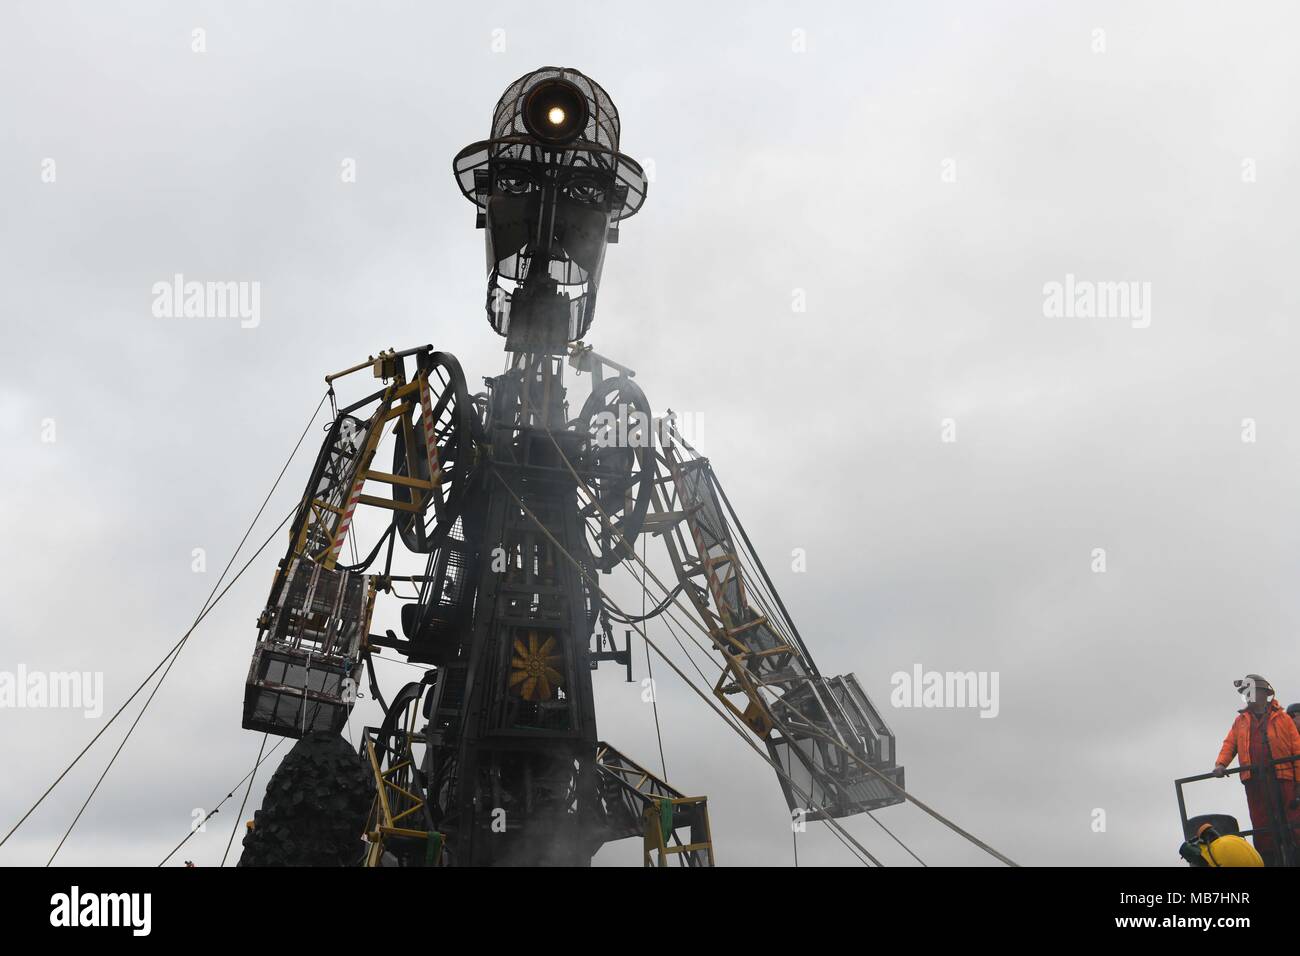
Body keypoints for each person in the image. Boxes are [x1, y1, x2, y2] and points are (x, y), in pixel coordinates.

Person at [1213, 675, 1300, 865]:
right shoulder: (1240, 721)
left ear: (1263, 694)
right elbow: (1230, 744)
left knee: (1292, 821)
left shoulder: (1283, 718)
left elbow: (1297, 748)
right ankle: (1268, 861)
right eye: (1246, 693)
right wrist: (1221, 764)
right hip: (1254, 780)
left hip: (1283, 777)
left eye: (1251, 691)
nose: (1248, 696)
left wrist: (1298, 782)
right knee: (1261, 824)